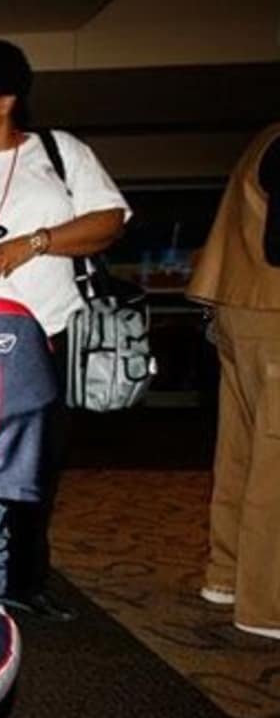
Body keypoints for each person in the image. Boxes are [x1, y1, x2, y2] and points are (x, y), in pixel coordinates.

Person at [0, 39, 130, 622]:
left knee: (36, 467)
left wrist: (36, 242)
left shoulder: (58, 152)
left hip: (48, 335)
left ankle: (24, 581)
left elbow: (109, 221)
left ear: (6, 100)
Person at [187, 122, 280, 641]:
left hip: (245, 306)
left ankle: (226, 576)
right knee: (273, 465)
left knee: (242, 451)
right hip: (273, 312)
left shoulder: (267, 136)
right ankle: (269, 604)